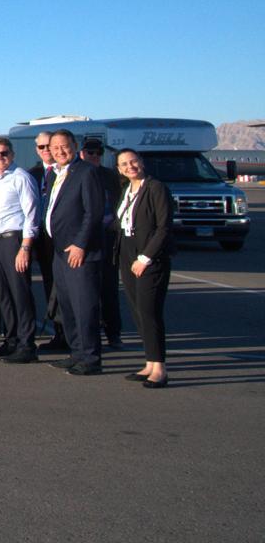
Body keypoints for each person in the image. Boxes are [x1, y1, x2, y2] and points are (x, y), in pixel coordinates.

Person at [44, 129, 106, 376]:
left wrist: (81, 244)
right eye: (54, 147)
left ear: (75, 145)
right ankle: (77, 353)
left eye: (64, 146)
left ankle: (91, 358)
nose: (59, 151)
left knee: (84, 306)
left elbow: (94, 212)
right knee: (67, 306)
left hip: (80, 251)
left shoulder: (86, 172)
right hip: (60, 251)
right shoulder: (56, 175)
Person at [115, 149, 173, 388]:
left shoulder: (156, 188)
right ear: (119, 169)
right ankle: (149, 362)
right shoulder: (128, 190)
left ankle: (160, 367)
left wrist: (145, 257)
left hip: (149, 256)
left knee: (150, 311)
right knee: (138, 310)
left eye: (133, 161)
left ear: (142, 162)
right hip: (127, 252)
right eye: (124, 164)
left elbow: (163, 227)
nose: (130, 166)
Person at [0, 138, 42, 364]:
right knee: (4, 294)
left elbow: (32, 215)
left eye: (4, 153)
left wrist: (25, 247)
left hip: (13, 241)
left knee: (20, 292)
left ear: (12, 154)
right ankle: (12, 339)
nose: (0, 158)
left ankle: (27, 344)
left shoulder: (21, 178)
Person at [81, 139, 125, 350]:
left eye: (98, 152)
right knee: (87, 290)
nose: (94, 156)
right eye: (90, 152)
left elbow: (121, 205)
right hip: (83, 239)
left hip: (106, 236)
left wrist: (115, 226)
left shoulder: (110, 176)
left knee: (109, 288)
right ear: (82, 154)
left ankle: (113, 332)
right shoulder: (76, 174)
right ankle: (90, 333)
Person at [28, 131, 65, 351]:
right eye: (41, 147)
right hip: (40, 237)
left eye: (48, 146)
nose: (45, 150)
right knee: (49, 285)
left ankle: (68, 334)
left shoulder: (66, 173)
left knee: (65, 287)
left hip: (61, 239)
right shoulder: (32, 174)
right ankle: (58, 332)